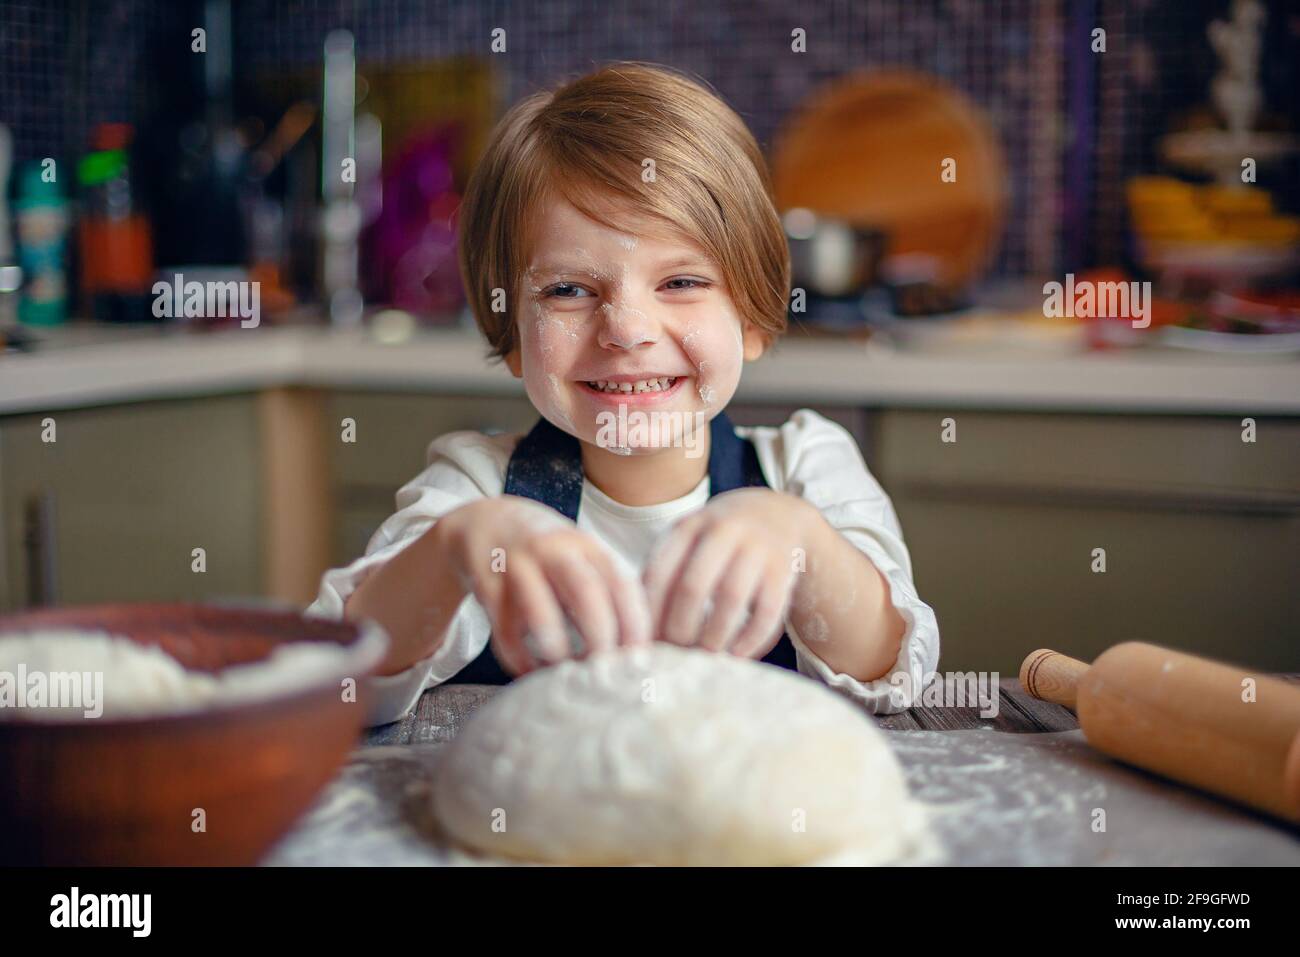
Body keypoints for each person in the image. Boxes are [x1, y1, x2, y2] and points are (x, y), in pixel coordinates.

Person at [306, 62, 940, 727]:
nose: (628, 331)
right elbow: (341, 677)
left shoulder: (806, 470)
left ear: (752, 317)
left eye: (681, 282)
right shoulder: (477, 489)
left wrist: (804, 544)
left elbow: (890, 673)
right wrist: (454, 550)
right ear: (512, 333)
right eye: (568, 290)